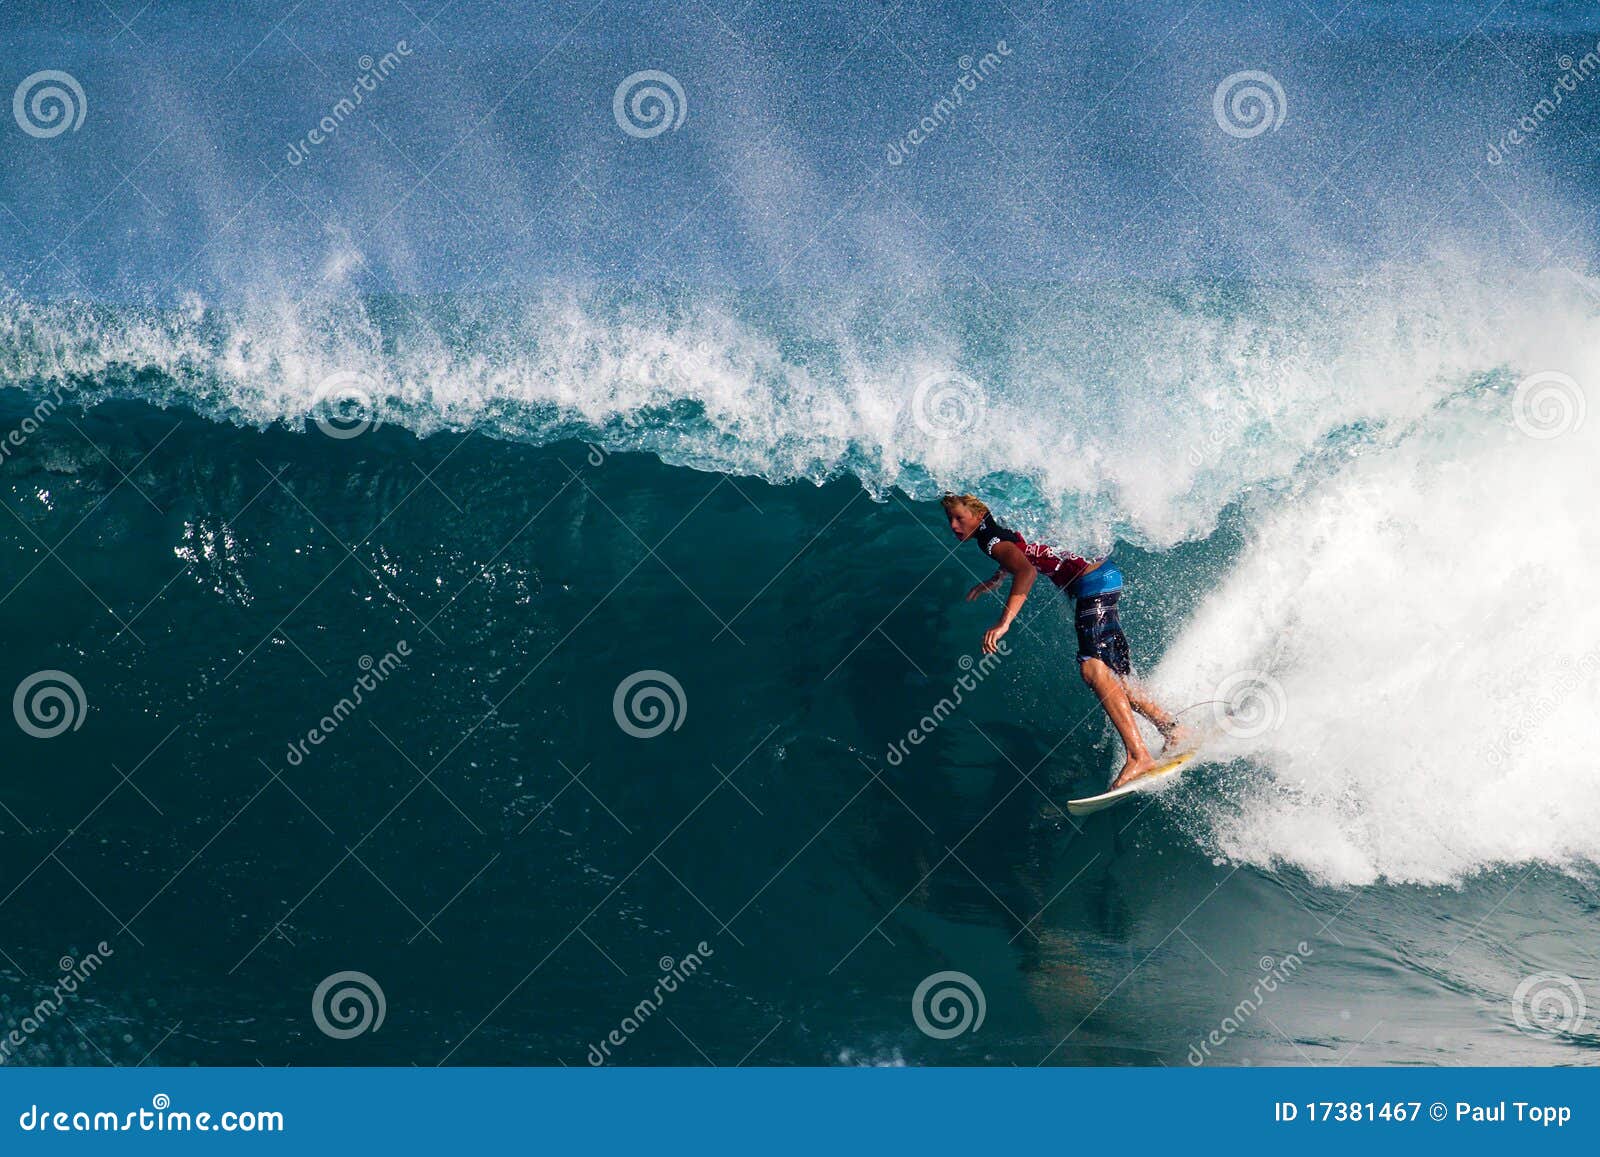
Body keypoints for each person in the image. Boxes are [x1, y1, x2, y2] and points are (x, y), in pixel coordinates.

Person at [941, 494, 1187, 788]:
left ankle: (1138, 756)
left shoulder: (990, 540)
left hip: (1092, 585)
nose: (954, 525)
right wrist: (996, 578)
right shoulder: (997, 525)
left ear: (979, 513)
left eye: (960, 518)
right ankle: (1173, 730)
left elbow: (1026, 570)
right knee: (1115, 680)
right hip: (1103, 577)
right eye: (950, 519)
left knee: (1092, 669)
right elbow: (1018, 551)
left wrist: (1004, 622)